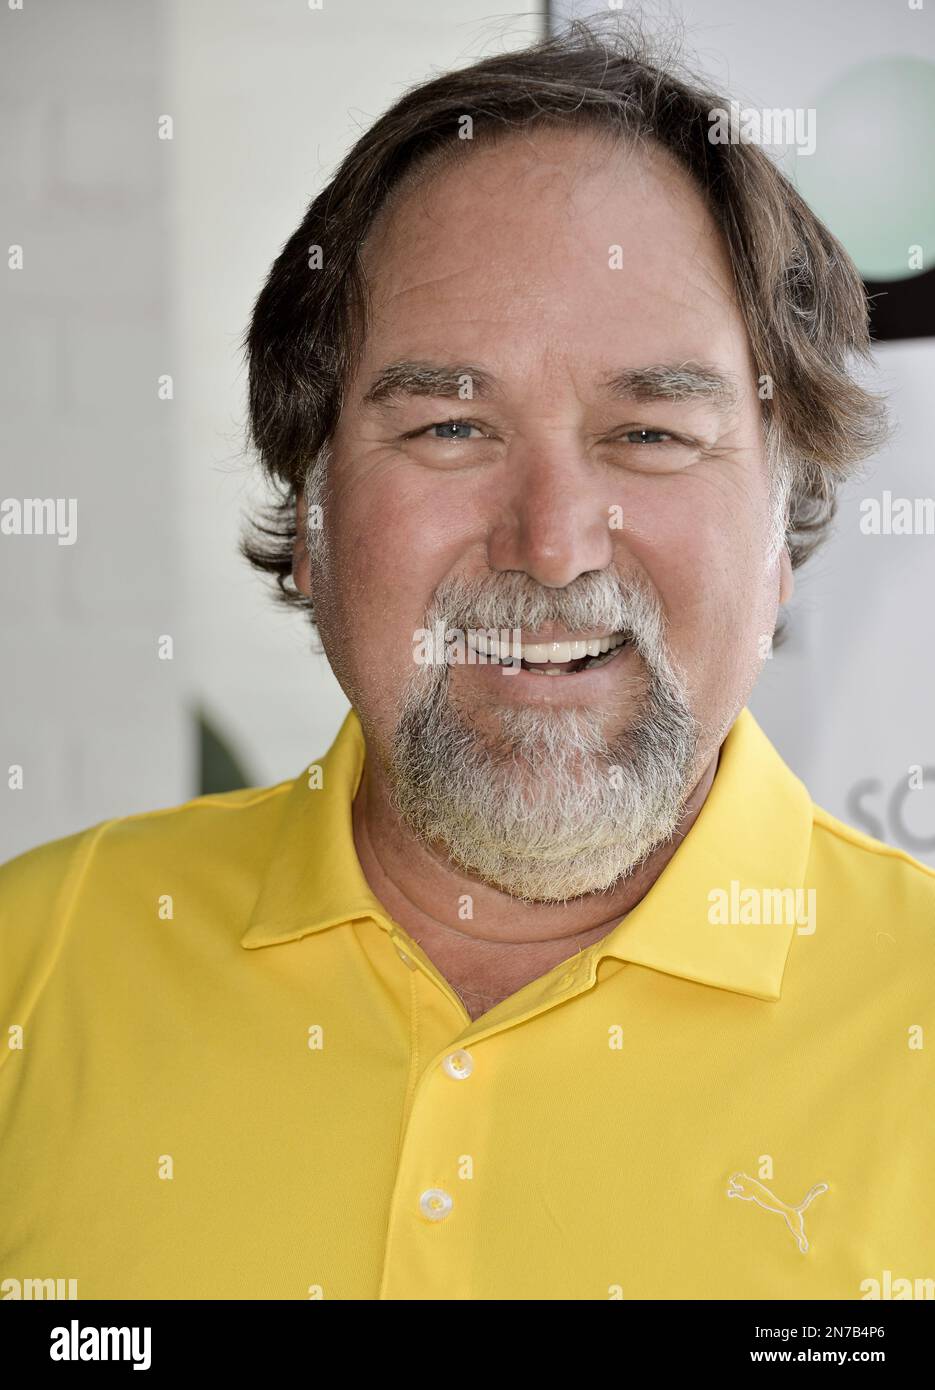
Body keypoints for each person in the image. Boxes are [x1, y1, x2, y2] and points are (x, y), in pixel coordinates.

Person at [2, 20, 933, 1302]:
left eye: (651, 432)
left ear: (783, 525)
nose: (550, 547)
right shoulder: (32, 967)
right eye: (448, 423)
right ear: (311, 515)